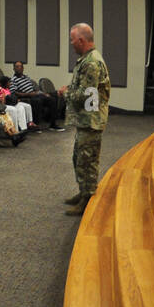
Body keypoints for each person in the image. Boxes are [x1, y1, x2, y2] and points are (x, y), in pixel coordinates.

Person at [60, 23, 110, 216]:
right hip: (87, 119)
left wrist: (66, 93)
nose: (71, 43)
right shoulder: (87, 59)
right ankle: (83, 192)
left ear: (81, 40)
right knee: (79, 157)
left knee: (86, 160)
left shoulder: (91, 62)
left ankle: (87, 199)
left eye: (72, 40)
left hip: (91, 120)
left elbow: (88, 95)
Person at [9, 60, 65, 131]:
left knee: (52, 99)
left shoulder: (26, 77)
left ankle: (53, 124)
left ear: (23, 68)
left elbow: (34, 89)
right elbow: (14, 92)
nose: (19, 68)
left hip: (34, 94)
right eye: (17, 66)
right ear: (14, 68)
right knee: (37, 101)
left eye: (21, 66)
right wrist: (29, 94)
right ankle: (36, 125)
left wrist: (43, 93)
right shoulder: (13, 80)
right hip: (26, 97)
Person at [0, 65, 35, 133]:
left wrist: (3, 98)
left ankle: (23, 129)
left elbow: (1, 91)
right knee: (13, 110)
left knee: (21, 108)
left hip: (3, 102)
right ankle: (16, 132)